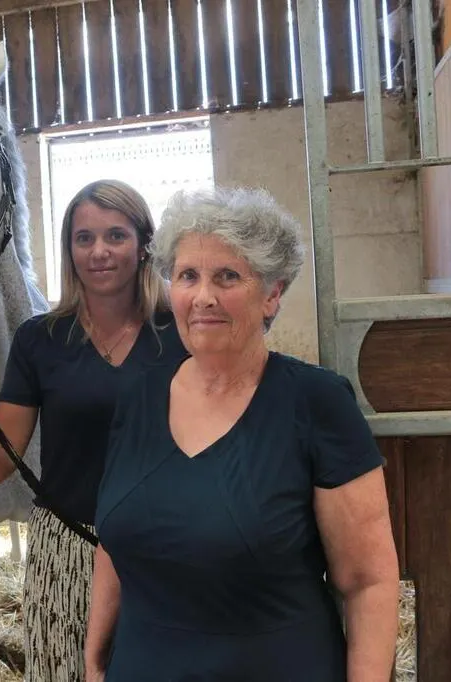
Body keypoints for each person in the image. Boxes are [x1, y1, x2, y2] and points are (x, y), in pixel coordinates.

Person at [85, 186, 400, 681]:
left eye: (227, 276)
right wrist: (95, 657)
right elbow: (114, 541)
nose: (204, 296)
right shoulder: (139, 398)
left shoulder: (316, 403)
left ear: (271, 295)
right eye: (188, 275)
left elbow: (369, 582)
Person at [0, 179, 189, 681]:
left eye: (115, 236)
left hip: (165, 546)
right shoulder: (42, 339)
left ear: (144, 245)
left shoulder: (180, 334)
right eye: (84, 238)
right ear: (69, 250)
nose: (99, 251)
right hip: (68, 551)